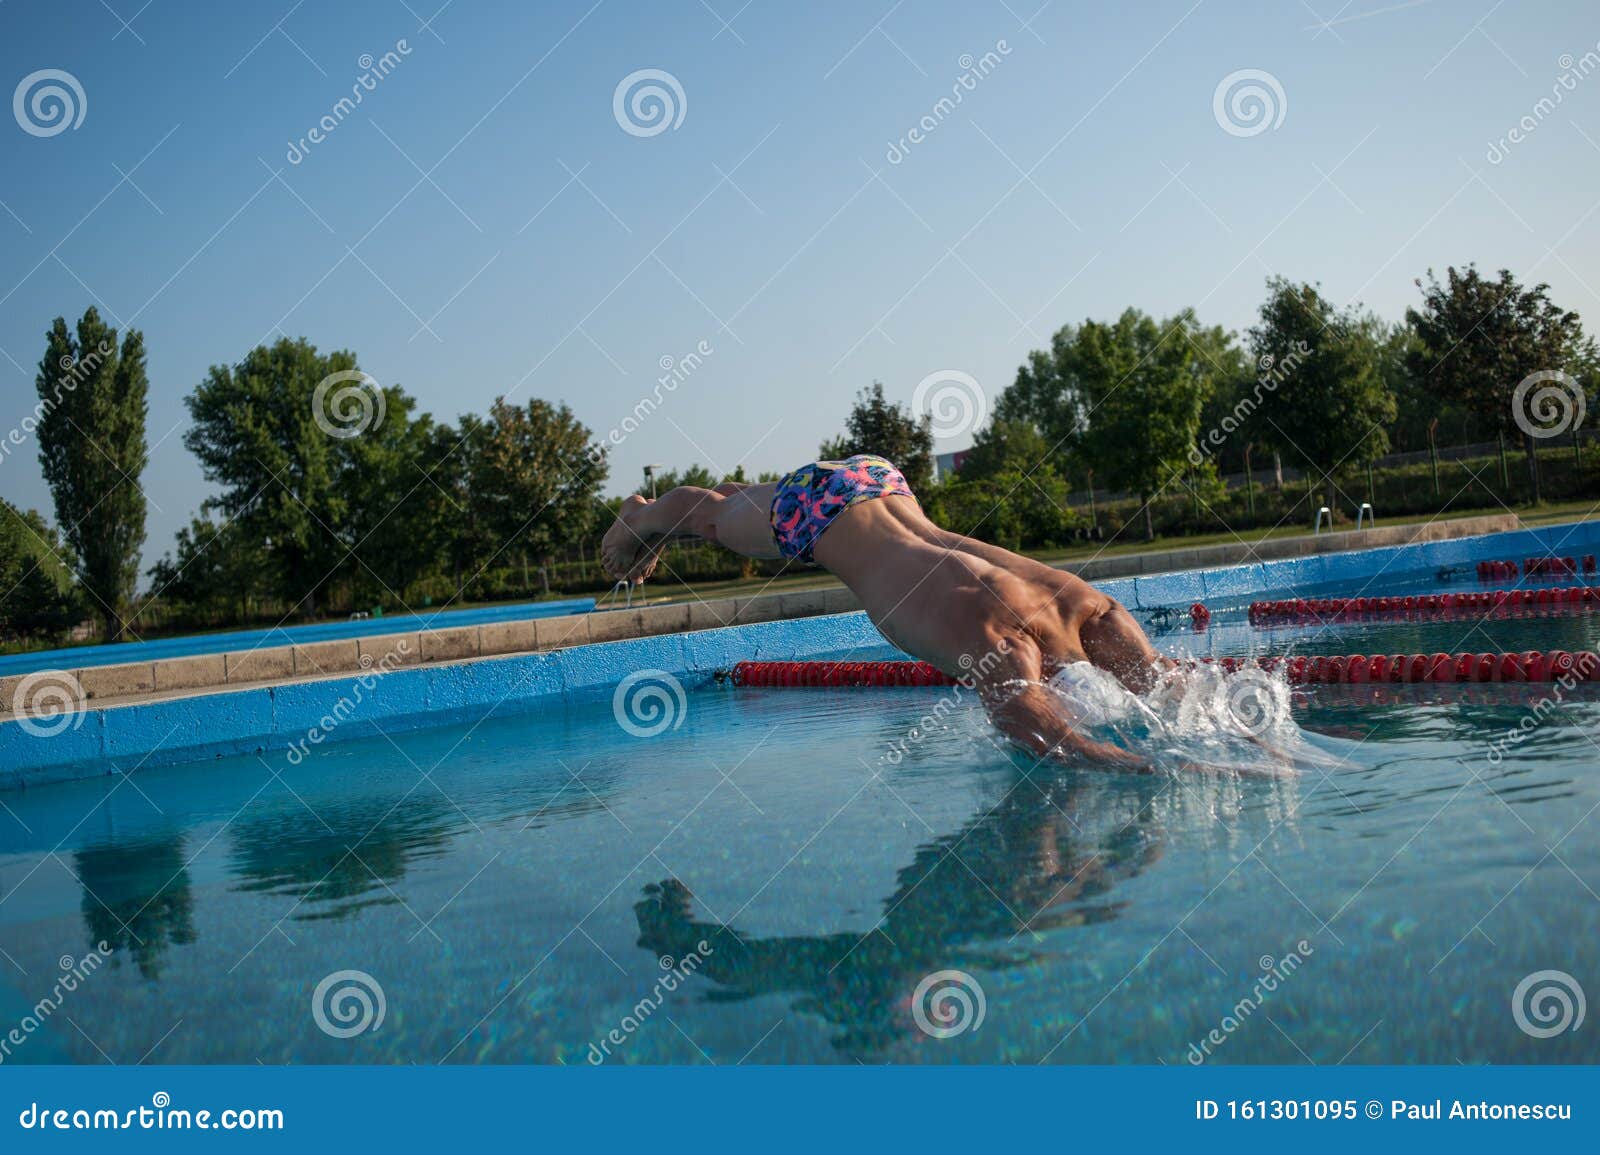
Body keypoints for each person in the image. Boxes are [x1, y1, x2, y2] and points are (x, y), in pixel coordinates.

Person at [601, 454, 1170, 770]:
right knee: (712, 521)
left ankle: (669, 516)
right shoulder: (1017, 635)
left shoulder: (1089, 610)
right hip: (823, 511)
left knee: (731, 506)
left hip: (875, 483)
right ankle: (641, 516)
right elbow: (1037, 727)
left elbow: (1169, 689)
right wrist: (1131, 764)